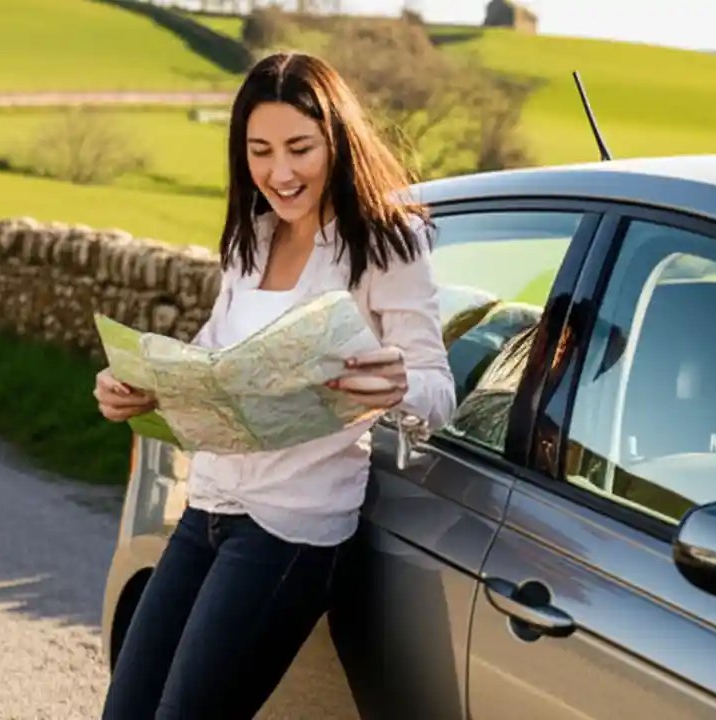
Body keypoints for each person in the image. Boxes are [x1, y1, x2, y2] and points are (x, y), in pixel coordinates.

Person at [93, 51, 456, 720]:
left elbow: (436, 387)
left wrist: (394, 387)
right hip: (208, 508)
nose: (279, 173)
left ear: (336, 141)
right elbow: (211, 355)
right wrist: (139, 385)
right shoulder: (249, 240)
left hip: (291, 529)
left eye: (299, 148)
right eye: (260, 151)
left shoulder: (386, 244)